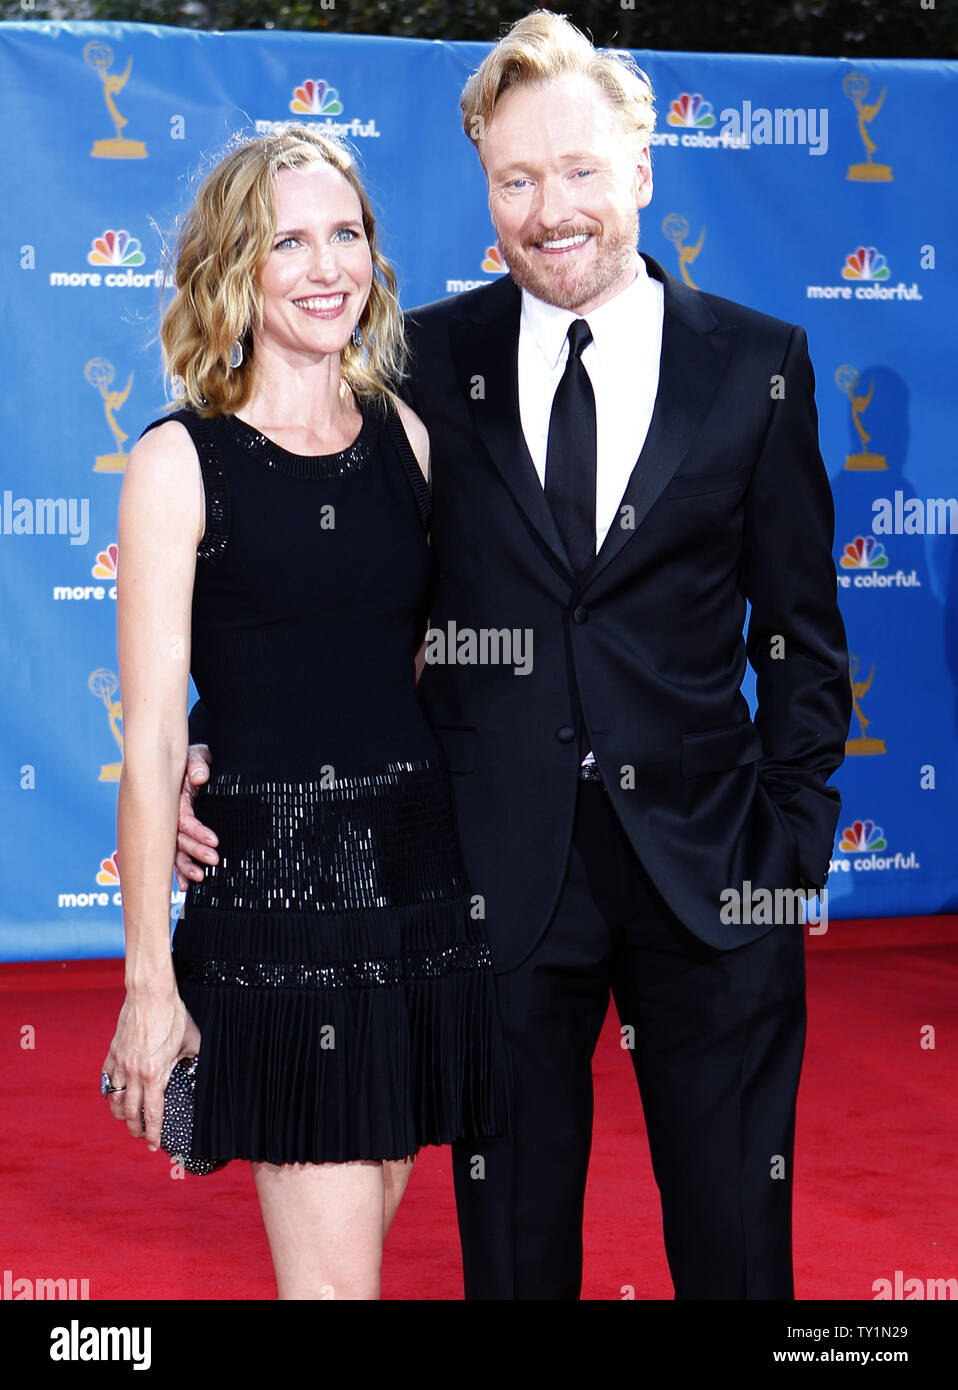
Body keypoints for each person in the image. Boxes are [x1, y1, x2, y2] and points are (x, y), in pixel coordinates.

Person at [178, 11, 852, 1300]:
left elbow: (804, 637)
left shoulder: (757, 365)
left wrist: (792, 848)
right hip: (490, 877)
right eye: (516, 178)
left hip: (715, 879)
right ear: (484, 186)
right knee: (515, 1258)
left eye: (581, 170)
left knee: (736, 1250)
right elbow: (331, 591)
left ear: (642, 171)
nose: (550, 210)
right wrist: (216, 743)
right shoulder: (420, 364)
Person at [100, 126, 510, 1302]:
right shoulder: (183, 461)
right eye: (291, 240)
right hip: (280, 900)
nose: (327, 265)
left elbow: (422, 665)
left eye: (347, 235)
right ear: (239, 266)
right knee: (333, 1285)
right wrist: (147, 980)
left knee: (361, 1237)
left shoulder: (408, 439)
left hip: (415, 892)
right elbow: (150, 737)